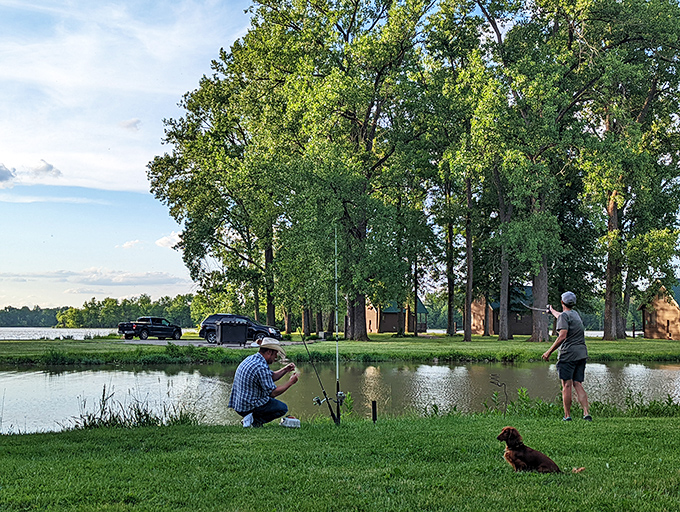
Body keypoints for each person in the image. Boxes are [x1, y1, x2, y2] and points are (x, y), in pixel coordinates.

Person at [542, 291, 592, 422]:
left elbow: (562, 336)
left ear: (562, 302)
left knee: (567, 386)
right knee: (578, 383)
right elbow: (561, 316)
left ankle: (567, 415)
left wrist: (548, 352)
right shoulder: (574, 315)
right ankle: (586, 413)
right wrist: (551, 310)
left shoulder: (565, 316)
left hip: (568, 355)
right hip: (581, 354)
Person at [229, 337, 299, 427]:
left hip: (239, 404)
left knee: (270, 401)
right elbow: (273, 393)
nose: (276, 357)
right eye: (275, 354)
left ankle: (249, 419)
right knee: (282, 408)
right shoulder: (260, 367)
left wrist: (285, 370)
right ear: (269, 352)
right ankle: (253, 421)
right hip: (246, 407)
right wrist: (290, 382)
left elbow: (271, 376)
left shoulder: (253, 359)